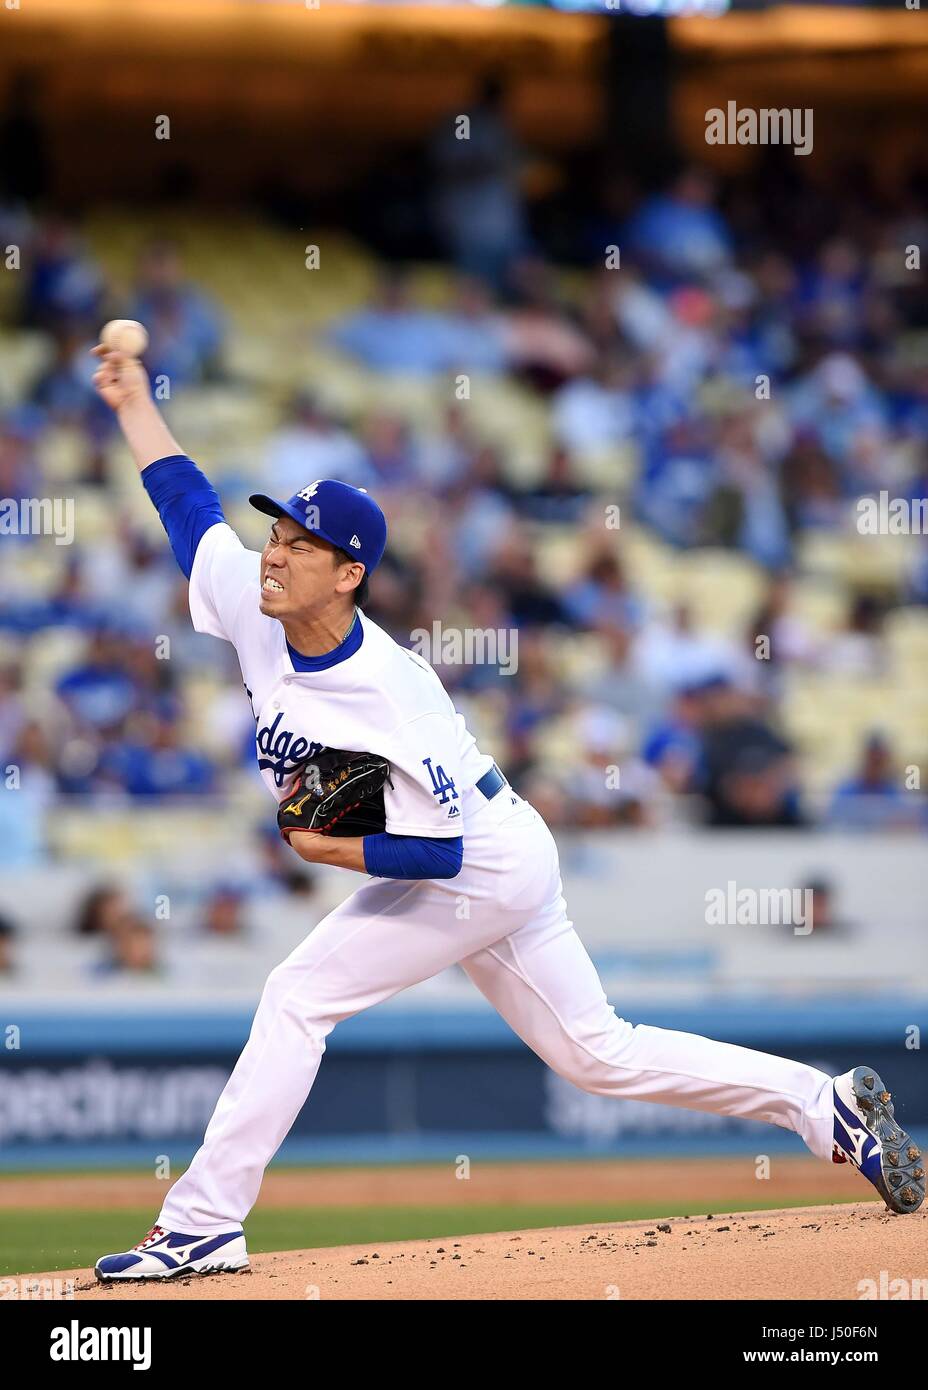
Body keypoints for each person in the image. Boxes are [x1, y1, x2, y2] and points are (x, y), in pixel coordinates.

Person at [89, 345, 923, 1281]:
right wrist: (130, 401)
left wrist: (329, 845)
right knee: (598, 1055)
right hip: (503, 841)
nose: (273, 555)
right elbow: (184, 501)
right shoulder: (254, 595)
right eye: (276, 536)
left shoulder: (389, 691)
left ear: (350, 575)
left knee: (298, 994)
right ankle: (826, 1106)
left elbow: (438, 860)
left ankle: (203, 1221)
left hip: (475, 857)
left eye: (298, 546)